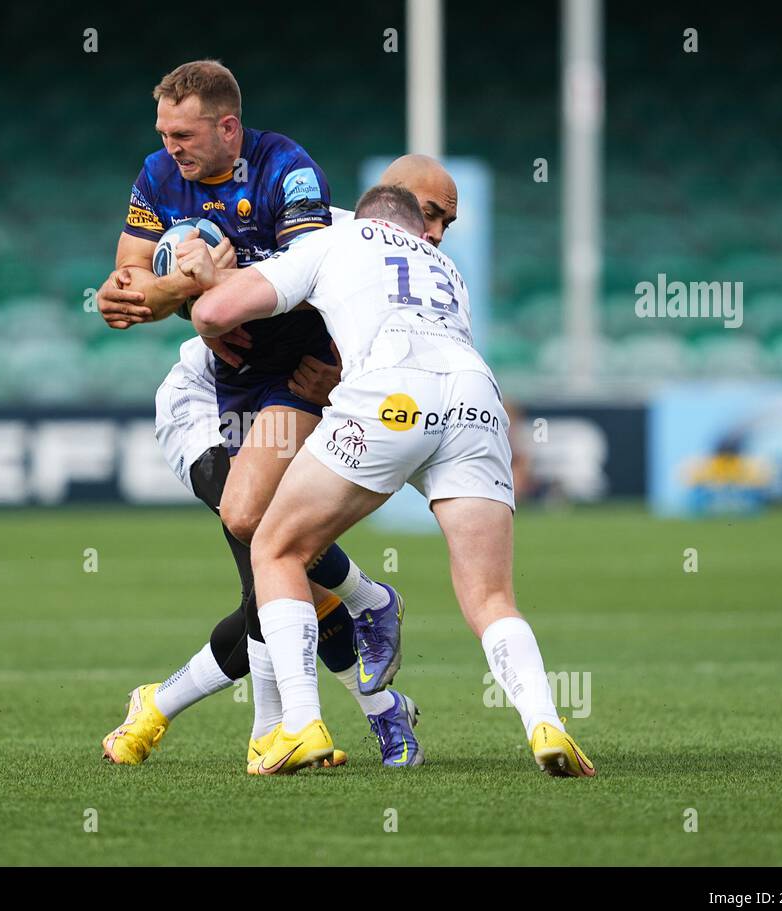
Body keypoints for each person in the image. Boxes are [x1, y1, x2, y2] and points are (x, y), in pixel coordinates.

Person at [179, 184, 597, 778]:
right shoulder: (447, 268)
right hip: (477, 397)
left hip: (393, 394)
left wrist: (205, 278)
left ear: (363, 214)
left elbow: (215, 314)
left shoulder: (334, 238)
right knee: (491, 597)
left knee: (276, 546)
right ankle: (545, 723)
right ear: (412, 225)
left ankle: (301, 726)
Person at [94, 61, 410, 769]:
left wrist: (206, 289)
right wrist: (181, 292)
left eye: (183, 135)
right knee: (272, 552)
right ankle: (350, 694)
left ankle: (220, 714)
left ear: (228, 127)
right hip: (208, 397)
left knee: (269, 545)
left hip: (291, 382)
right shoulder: (157, 174)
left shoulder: (290, 174)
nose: (170, 147)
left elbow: (299, 282)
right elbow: (130, 279)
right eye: (164, 133)